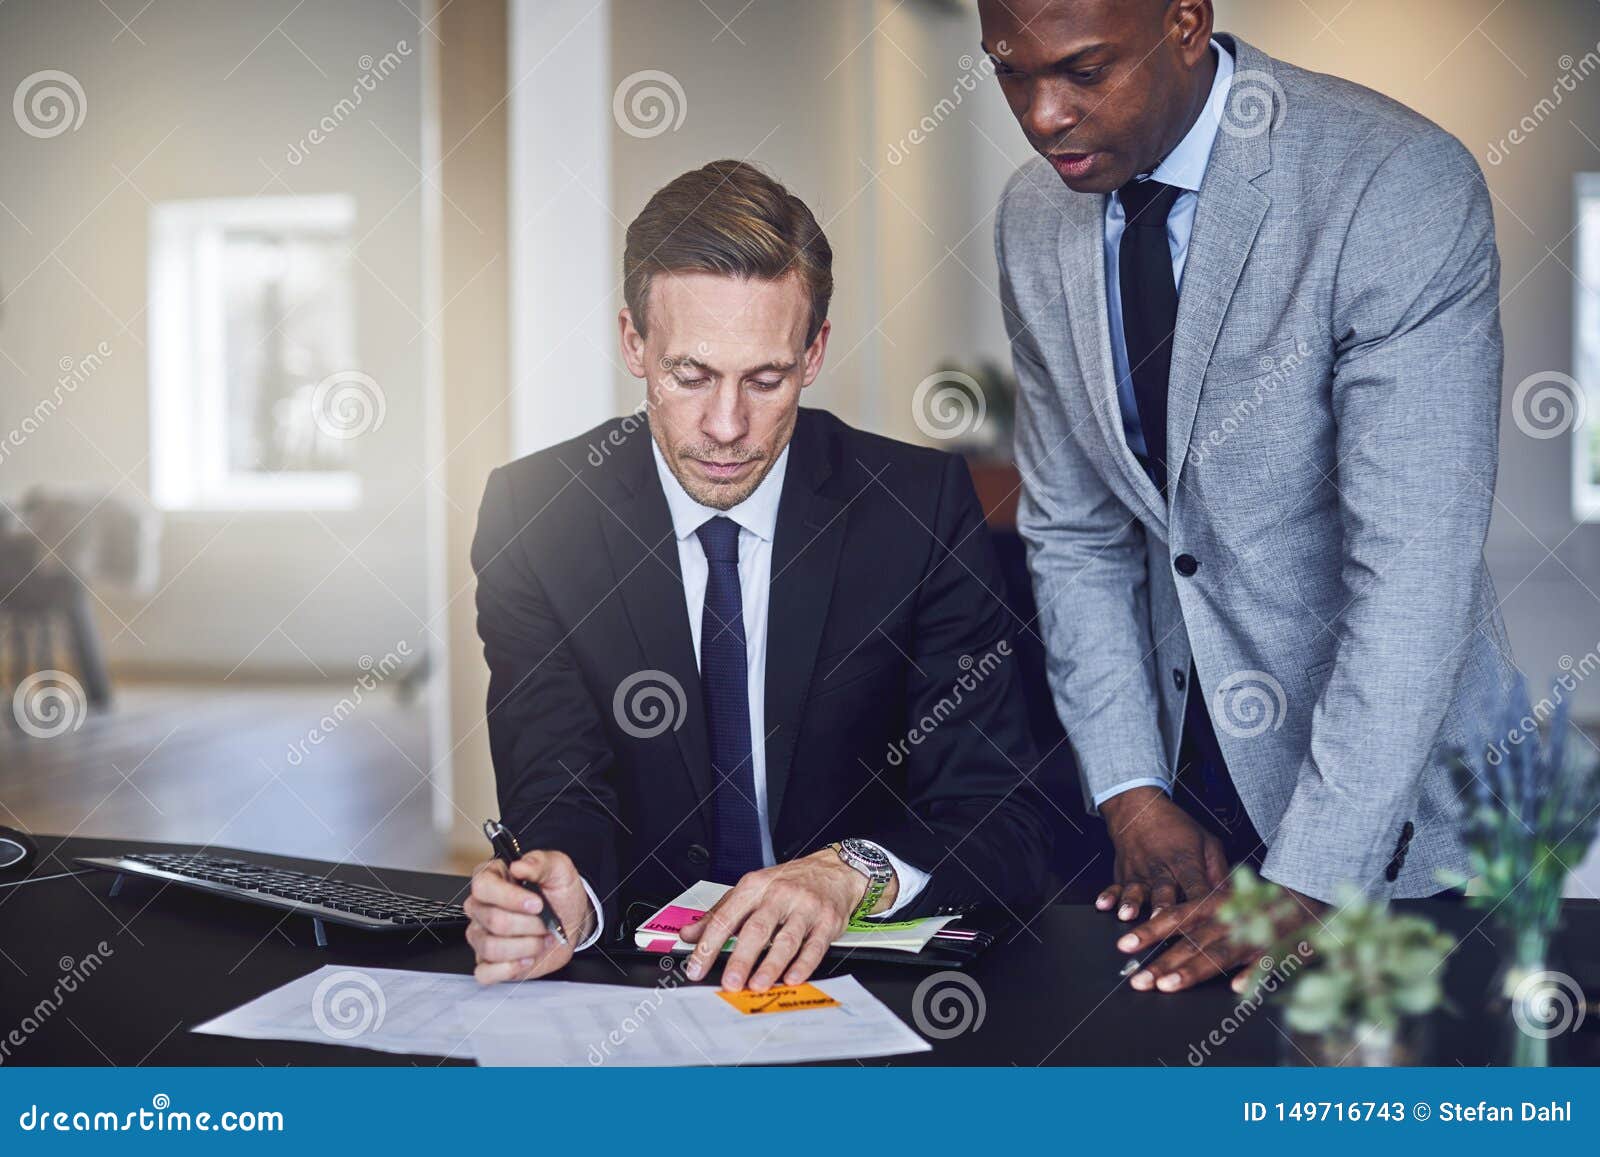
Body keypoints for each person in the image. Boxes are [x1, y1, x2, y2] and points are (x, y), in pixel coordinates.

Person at [982, 0, 1516, 992]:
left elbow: (1413, 570)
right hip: (1183, 799)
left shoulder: (1391, 183)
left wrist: (1314, 874)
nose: (1043, 115)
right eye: (1010, 71)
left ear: (1186, 23)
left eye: (1085, 72)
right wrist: (1131, 790)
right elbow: (1075, 532)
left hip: (1399, 820)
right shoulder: (1033, 215)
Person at [464, 159, 1049, 993]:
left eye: (766, 379)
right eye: (690, 375)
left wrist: (851, 873)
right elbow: (557, 781)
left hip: (858, 981)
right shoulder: (534, 516)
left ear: (814, 353)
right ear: (634, 342)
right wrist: (566, 895)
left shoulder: (918, 509)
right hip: (634, 980)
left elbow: (1001, 810)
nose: (727, 425)